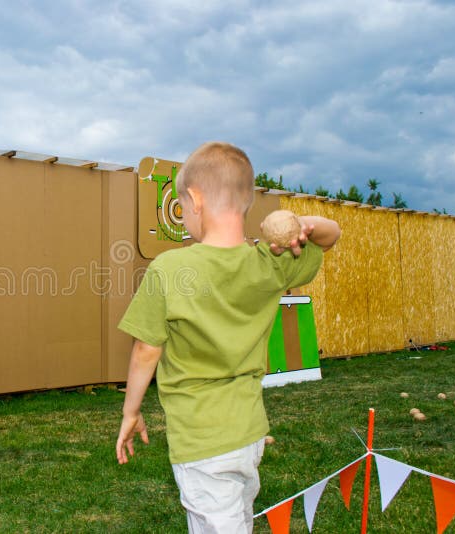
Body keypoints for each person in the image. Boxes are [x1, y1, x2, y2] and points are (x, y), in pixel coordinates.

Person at [115, 142, 341, 533]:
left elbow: (146, 349)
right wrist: (305, 223)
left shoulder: (169, 268)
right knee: (236, 519)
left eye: (181, 208)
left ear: (196, 199)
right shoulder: (270, 263)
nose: (184, 216)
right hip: (248, 433)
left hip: (200, 440)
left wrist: (130, 412)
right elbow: (331, 235)